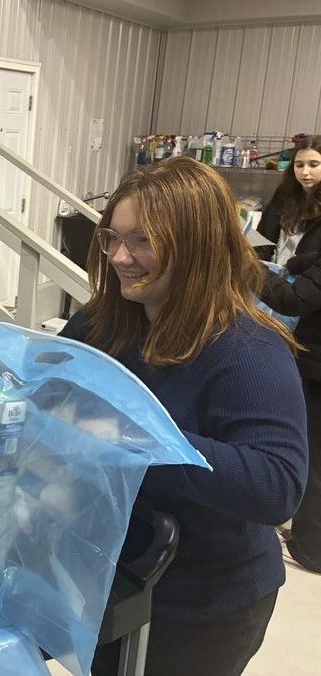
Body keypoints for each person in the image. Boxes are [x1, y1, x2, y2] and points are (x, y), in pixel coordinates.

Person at [59, 156, 308, 676]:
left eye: (143, 241)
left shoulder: (248, 349)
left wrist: (134, 438)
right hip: (110, 568)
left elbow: (276, 485)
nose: (121, 257)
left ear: (197, 247)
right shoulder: (103, 323)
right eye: (113, 238)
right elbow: (49, 385)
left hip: (203, 600)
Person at [257, 136, 321, 573]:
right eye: (300, 164)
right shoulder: (284, 201)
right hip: (286, 312)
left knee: (311, 443)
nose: (306, 172)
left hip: (306, 333)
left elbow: (302, 297)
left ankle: (310, 546)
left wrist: (254, 274)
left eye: (314, 164)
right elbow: (292, 255)